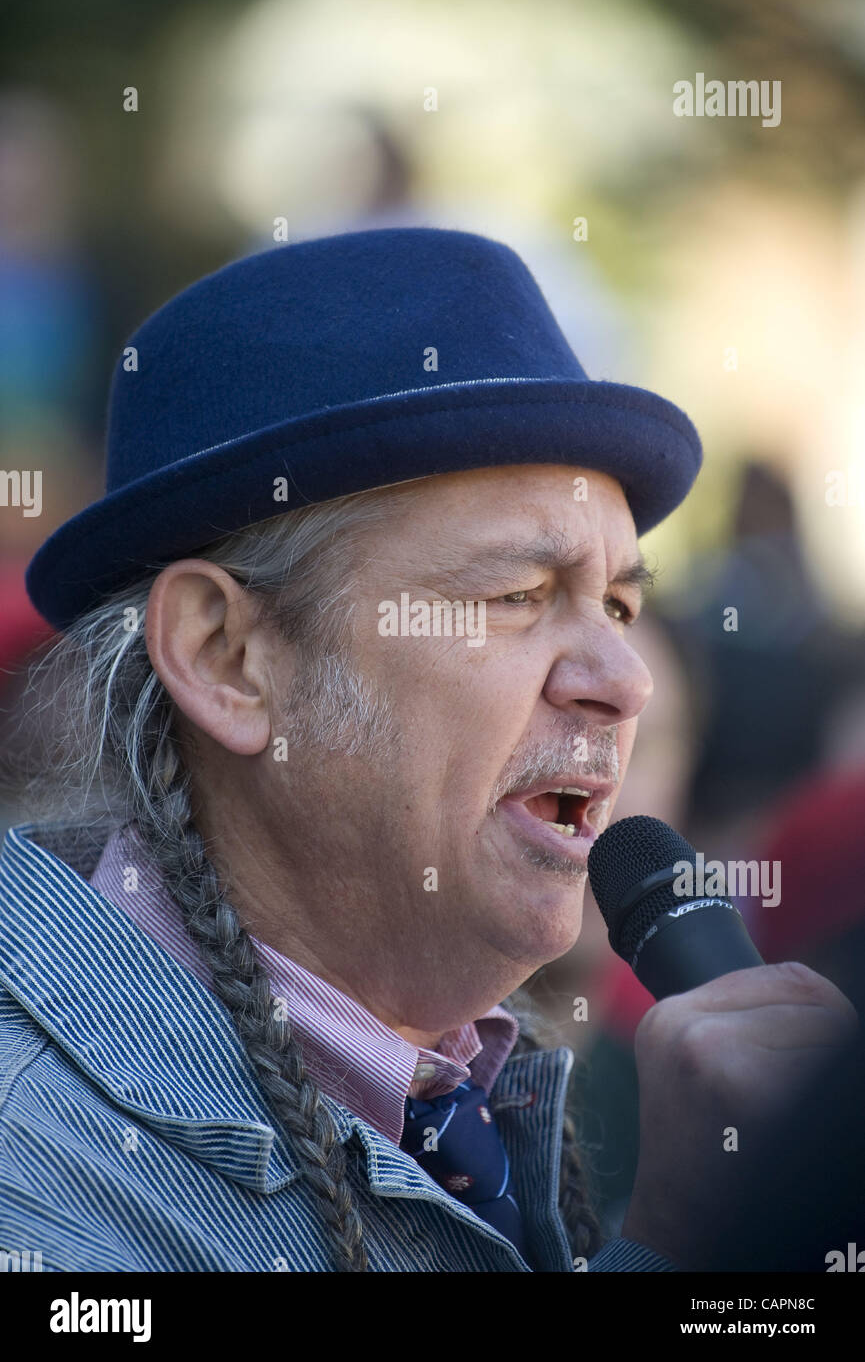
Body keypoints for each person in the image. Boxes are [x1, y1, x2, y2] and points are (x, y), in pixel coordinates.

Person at [0, 228, 856, 1273]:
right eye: (515, 597)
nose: (625, 680)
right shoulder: (34, 1169)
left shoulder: (465, 1081)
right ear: (226, 657)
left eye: (621, 605)